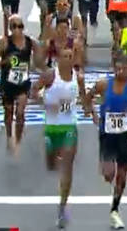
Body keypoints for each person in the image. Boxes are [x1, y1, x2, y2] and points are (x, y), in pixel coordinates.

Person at [30, 47, 88, 229]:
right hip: (52, 128)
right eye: (64, 56)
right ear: (58, 59)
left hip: (69, 126)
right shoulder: (50, 76)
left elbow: (84, 96)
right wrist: (44, 104)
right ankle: (53, 162)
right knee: (51, 164)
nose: (68, 59)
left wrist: (89, 109)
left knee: (67, 166)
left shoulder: (78, 78)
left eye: (71, 56)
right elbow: (33, 91)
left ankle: (62, 206)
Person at [84, 55, 127, 230]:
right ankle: (106, 167)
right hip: (107, 135)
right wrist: (92, 113)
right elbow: (88, 97)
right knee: (109, 174)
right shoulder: (104, 85)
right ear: (113, 68)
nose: (120, 72)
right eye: (117, 68)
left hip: (125, 135)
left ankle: (115, 209)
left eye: (124, 69)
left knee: (122, 175)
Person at [0, 14, 40, 155]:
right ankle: (8, 136)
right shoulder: (4, 42)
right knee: (8, 113)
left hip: (23, 83)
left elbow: (39, 58)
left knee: (20, 113)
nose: (17, 30)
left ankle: (17, 141)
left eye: (20, 26)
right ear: (10, 28)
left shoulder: (30, 42)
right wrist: (5, 60)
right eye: (14, 26)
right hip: (7, 83)